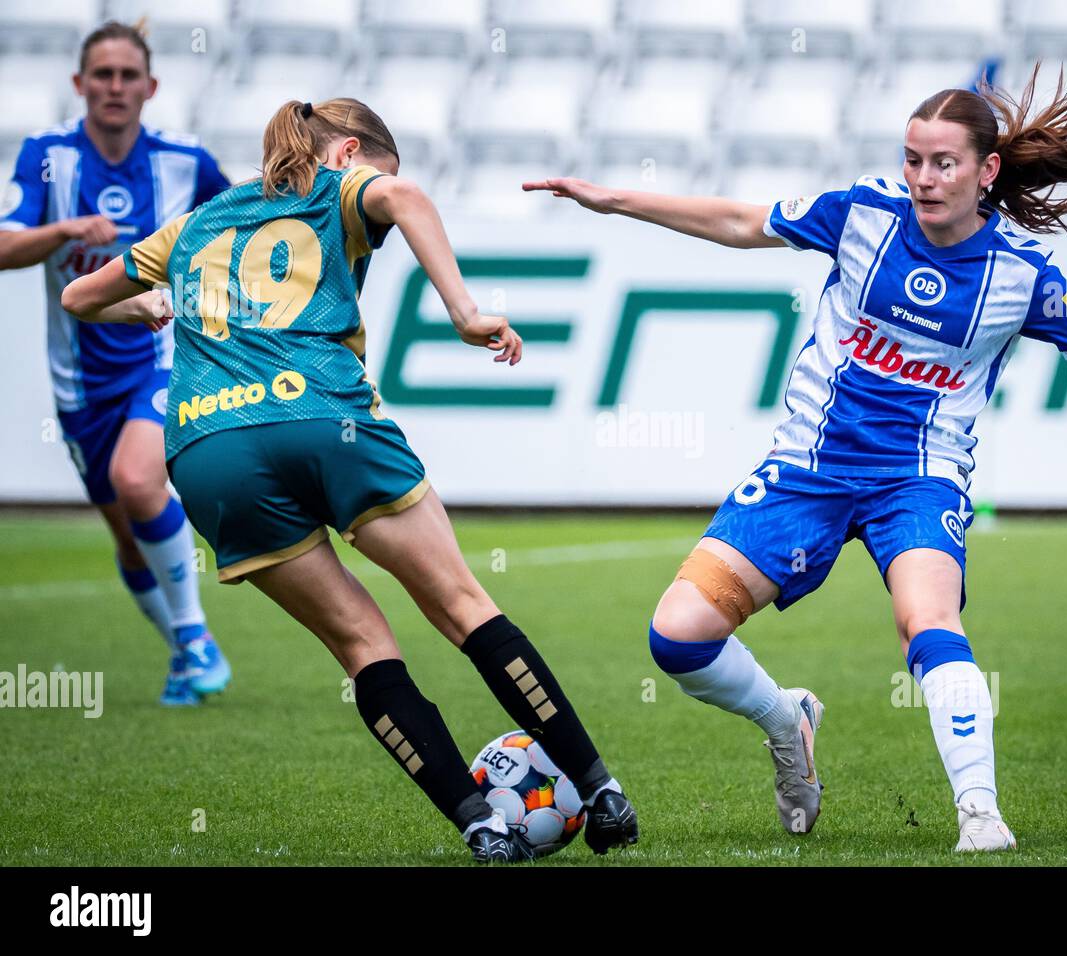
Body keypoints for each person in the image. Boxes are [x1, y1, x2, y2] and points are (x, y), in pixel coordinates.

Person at [523, 66, 1067, 851]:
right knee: (677, 639)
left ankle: (980, 814)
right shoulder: (861, 212)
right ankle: (788, 719)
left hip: (918, 479)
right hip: (809, 468)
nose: (923, 177)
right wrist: (615, 198)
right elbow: (739, 220)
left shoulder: (1021, 276)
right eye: (913, 159)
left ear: (986, 171)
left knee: (927, 621)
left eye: (943, 162)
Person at [62, 97, 638, 863]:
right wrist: (466, 313)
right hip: (320, 417)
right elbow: (401, 195)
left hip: (208, 449)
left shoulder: (194, 223)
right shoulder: (343, 185)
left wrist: (140, 310)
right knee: (464, 606)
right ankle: (601, 792)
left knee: (364, 646)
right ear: (348, 153)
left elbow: (77, 297)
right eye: (372, 166)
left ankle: (481, 825)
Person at [0, 21, 231, 706]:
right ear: (79, 84)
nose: (115, 87)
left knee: (139, 481)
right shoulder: (47, 157)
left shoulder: (185, 161)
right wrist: (64, 231)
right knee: (129, 538)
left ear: (151, 87)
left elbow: (243, 226)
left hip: (159, 361)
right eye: (102, 74)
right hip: (78, 387)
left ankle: (195, 638)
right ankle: (186, 657)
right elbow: (6, 246)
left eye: (129, 75)